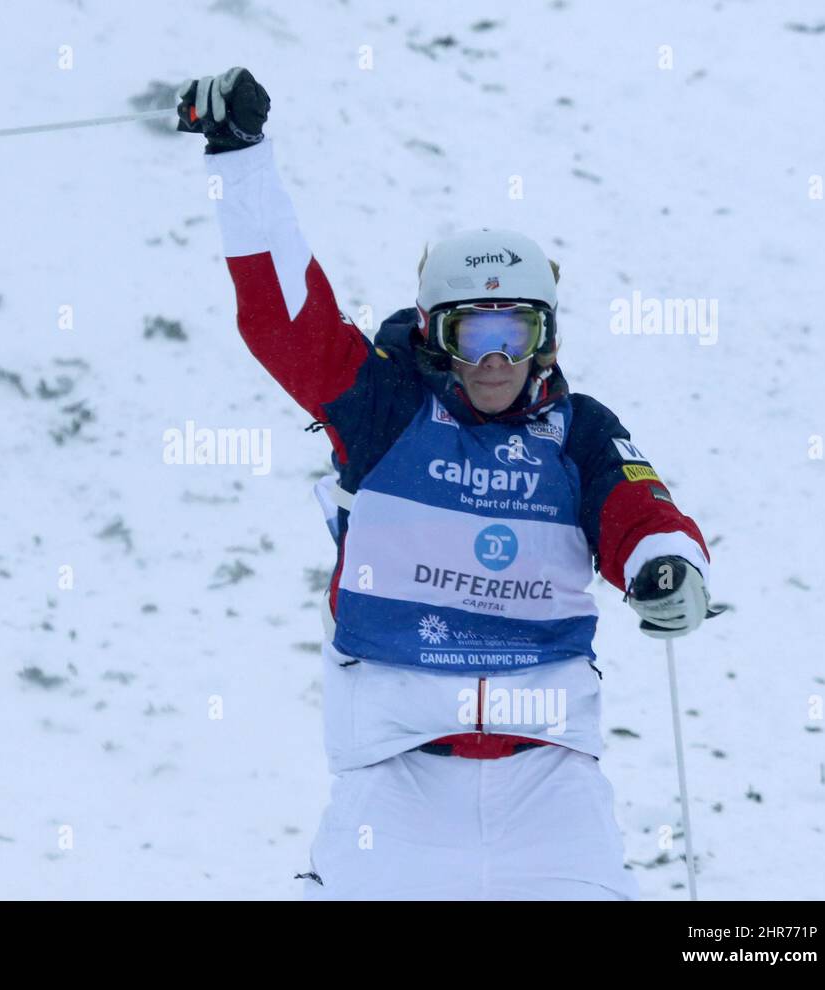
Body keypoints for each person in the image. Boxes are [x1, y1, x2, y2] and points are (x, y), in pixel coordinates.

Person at [177, 68, 715, 900]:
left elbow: (639, 513)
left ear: (547, 337)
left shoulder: (579, 431)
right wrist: (240, 158)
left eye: (517, 331)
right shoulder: (380, 406)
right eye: (474, 331)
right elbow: (285, 317)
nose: (495, 358)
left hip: (550, 781)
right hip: (395, 774)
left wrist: (666, 566)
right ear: (435, 333)